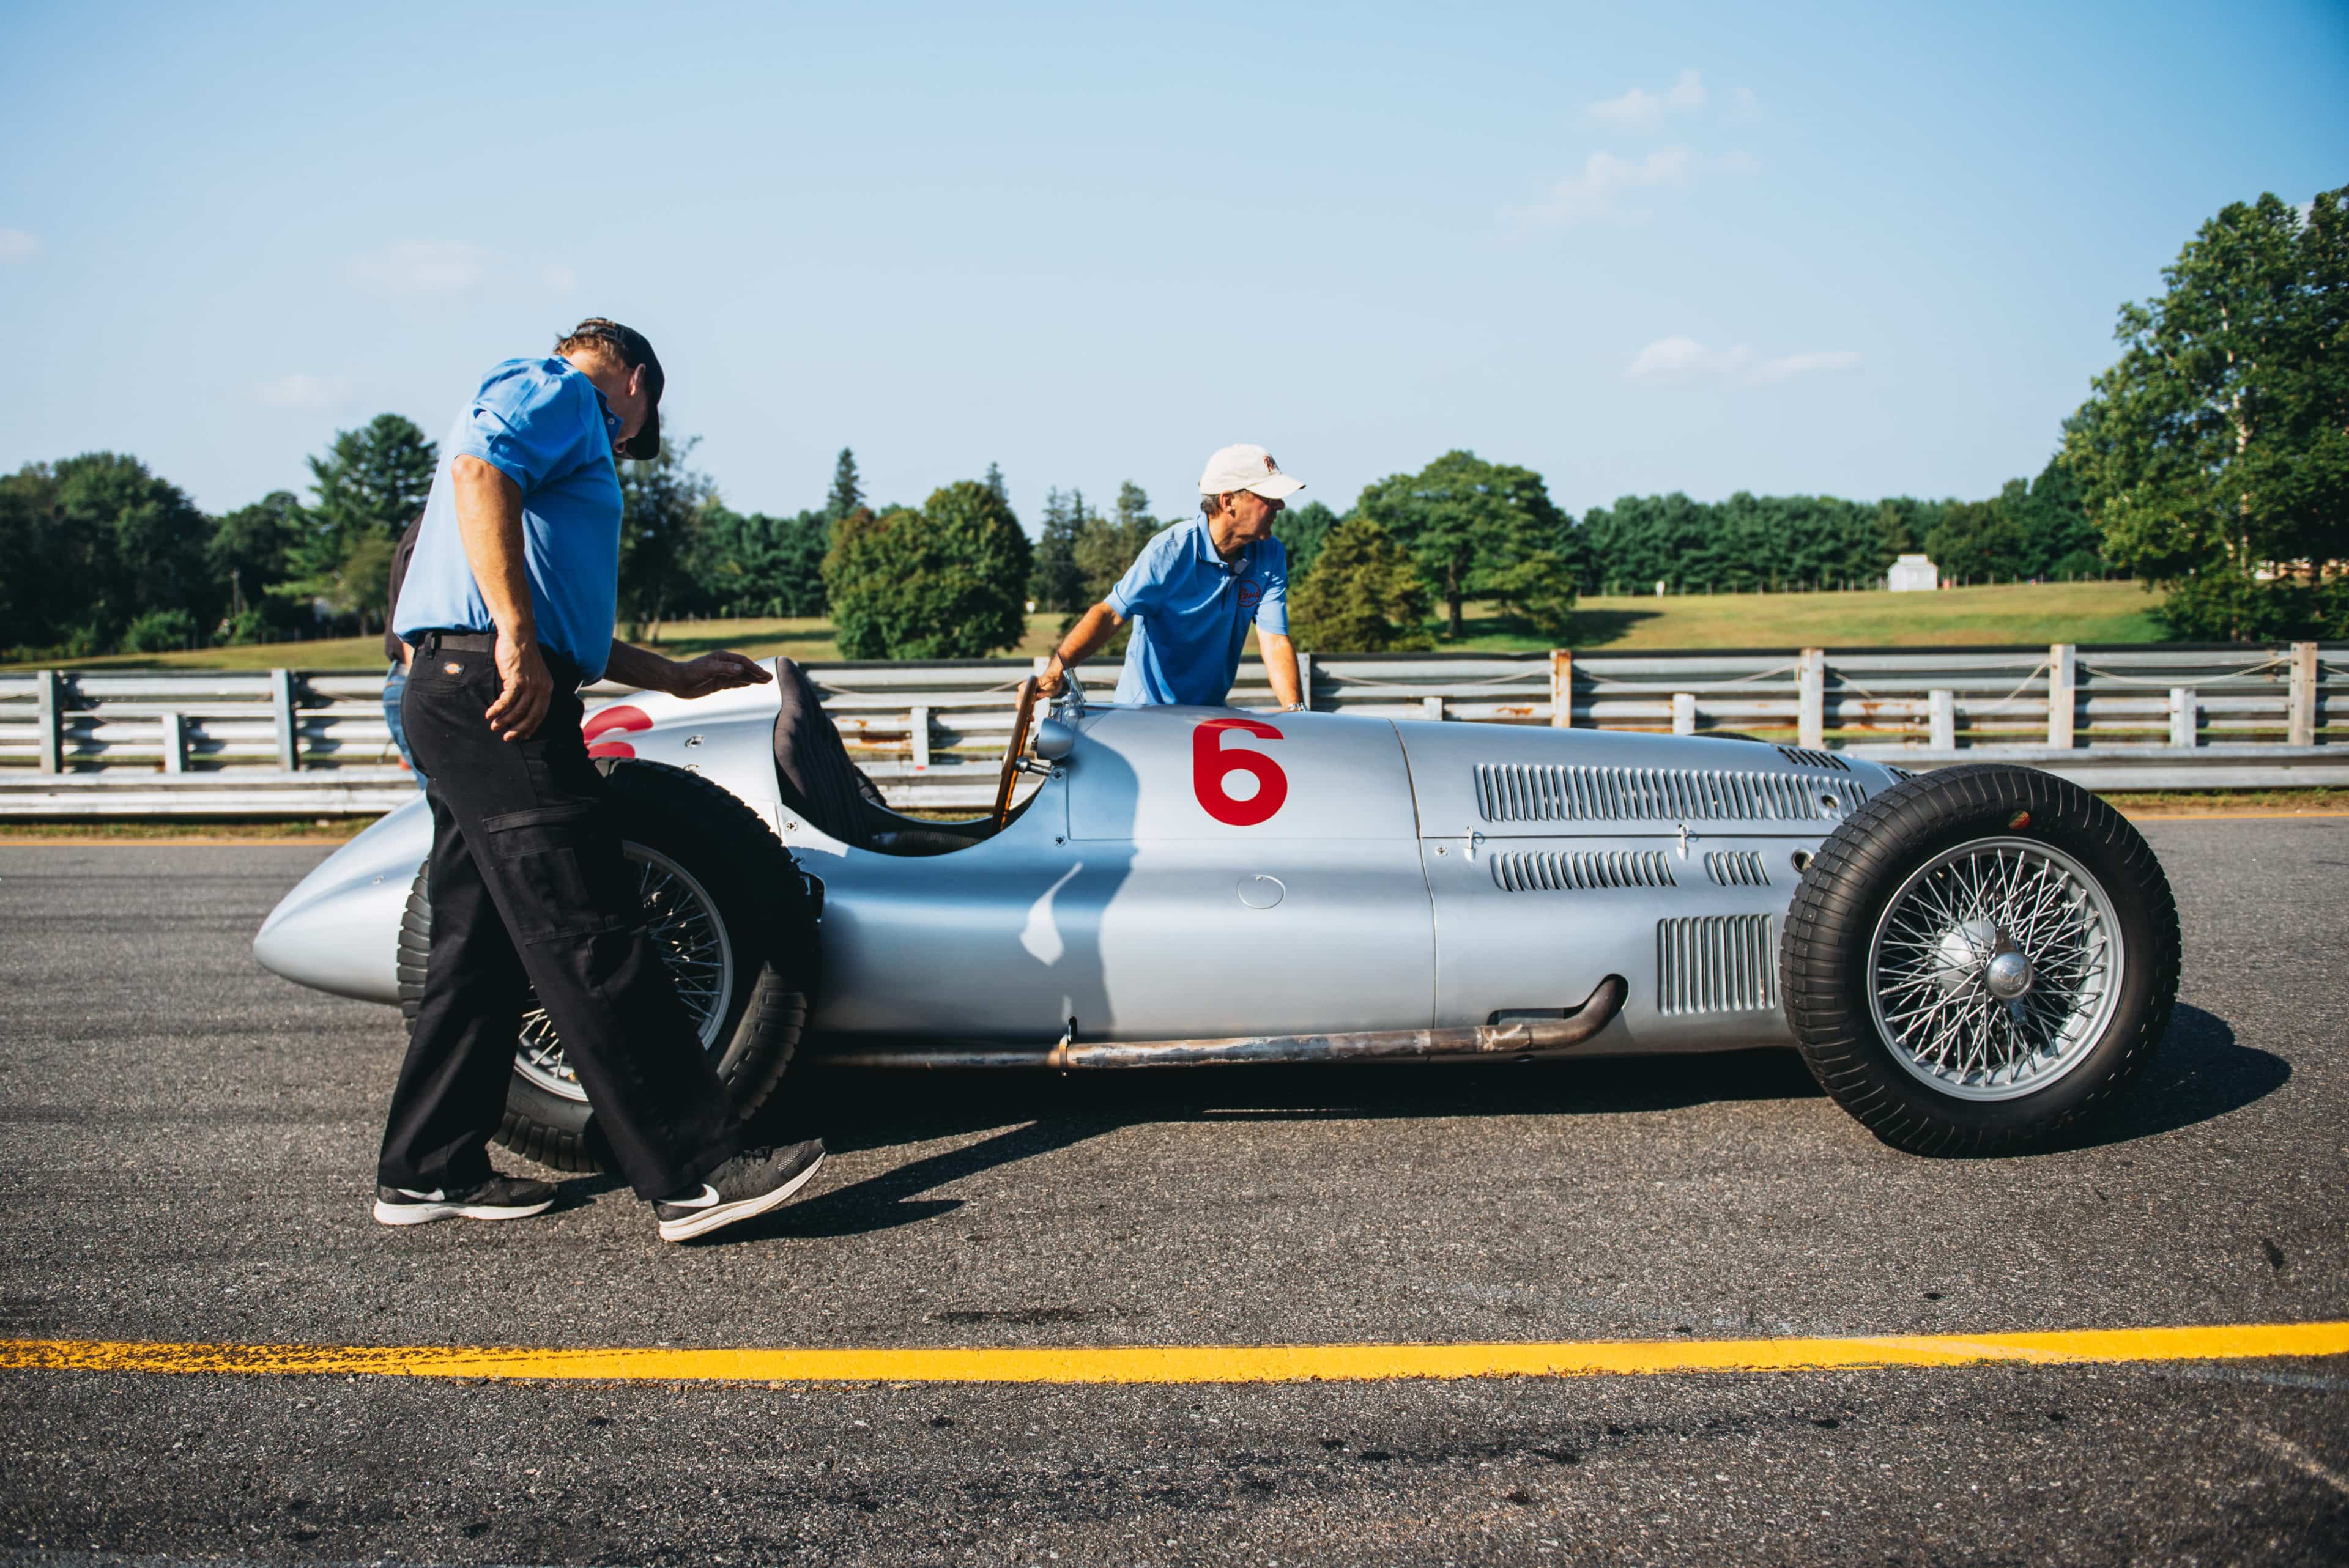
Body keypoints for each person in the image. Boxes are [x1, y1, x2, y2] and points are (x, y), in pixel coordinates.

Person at [385, 318, 824, 1244]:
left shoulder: (556, 411)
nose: (625, 444)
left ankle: (427, 1167)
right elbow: (478, 473)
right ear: (635, 382)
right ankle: (696, 1173)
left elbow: (559, 615)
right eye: (636, 427)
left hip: (462, 686)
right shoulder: (564, 392)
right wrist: (514, 639)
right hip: (500, 689)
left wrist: (671, 675)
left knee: (477, 944)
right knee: (588, 923)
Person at [1037, 443, 1306, 711]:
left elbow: (1275, 640)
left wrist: (1296, 711)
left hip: (1207, 715)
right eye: (1268, 498)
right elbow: (1110, 615)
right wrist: (1055, 673)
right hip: (1145, 714)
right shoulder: (1168, 552)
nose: (1280, 505)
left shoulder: (1270, 554)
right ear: (1229, 502)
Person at [380, 513, 424, 783]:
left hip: (411, 678)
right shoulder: (434, 528)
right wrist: (416, 702)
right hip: (417, 675)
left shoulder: (421, 527)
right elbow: (417, 618)